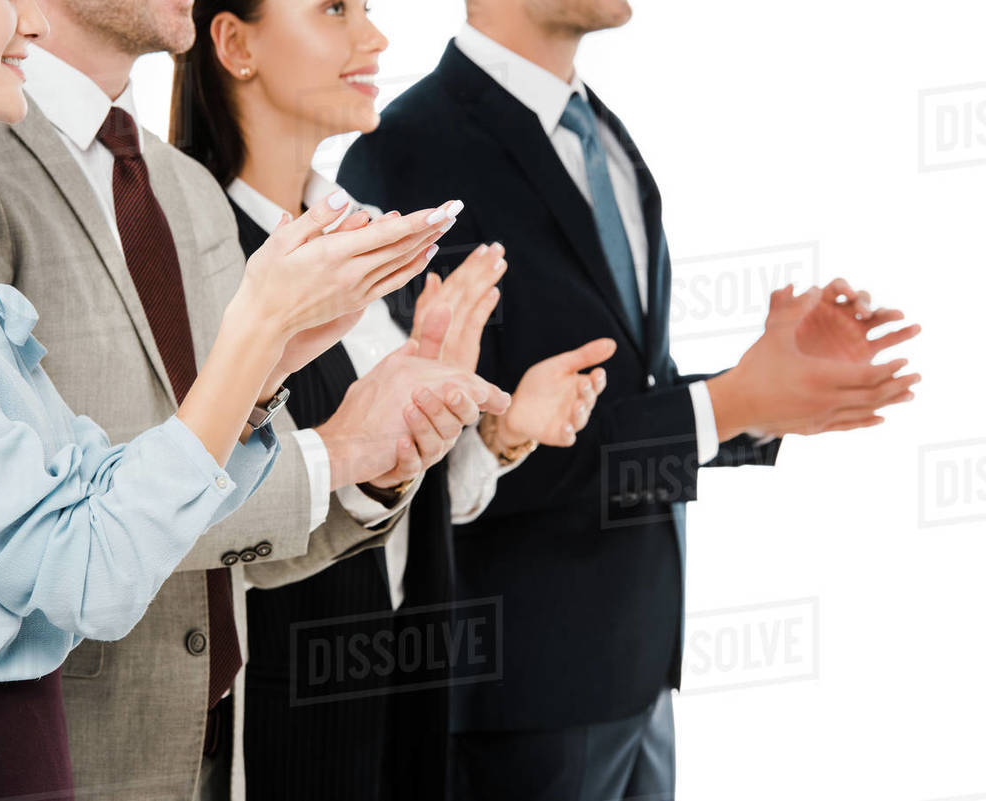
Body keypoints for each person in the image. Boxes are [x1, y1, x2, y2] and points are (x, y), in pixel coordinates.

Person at [0, 1, 478, 799]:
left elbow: (88, 491)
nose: (31, 23)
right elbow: (83, 565)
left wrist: (259, 370)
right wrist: (256, 333)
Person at [338, 1, 924, 799]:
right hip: (519, 694)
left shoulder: (603, 135)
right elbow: (456, 456)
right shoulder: (405, 151)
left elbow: (619, 389)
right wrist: (733, 401)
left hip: (643, 673)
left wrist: (766, 391)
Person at [172, 2, 617, 798]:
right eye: (335, 9)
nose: (373, 39)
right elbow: (190, 512)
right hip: (287, 721)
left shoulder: (362, 235)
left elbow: (385, 500)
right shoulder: (199, 257)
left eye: (369, 11)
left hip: (400, 695)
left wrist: (494, 428)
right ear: (236, 44)